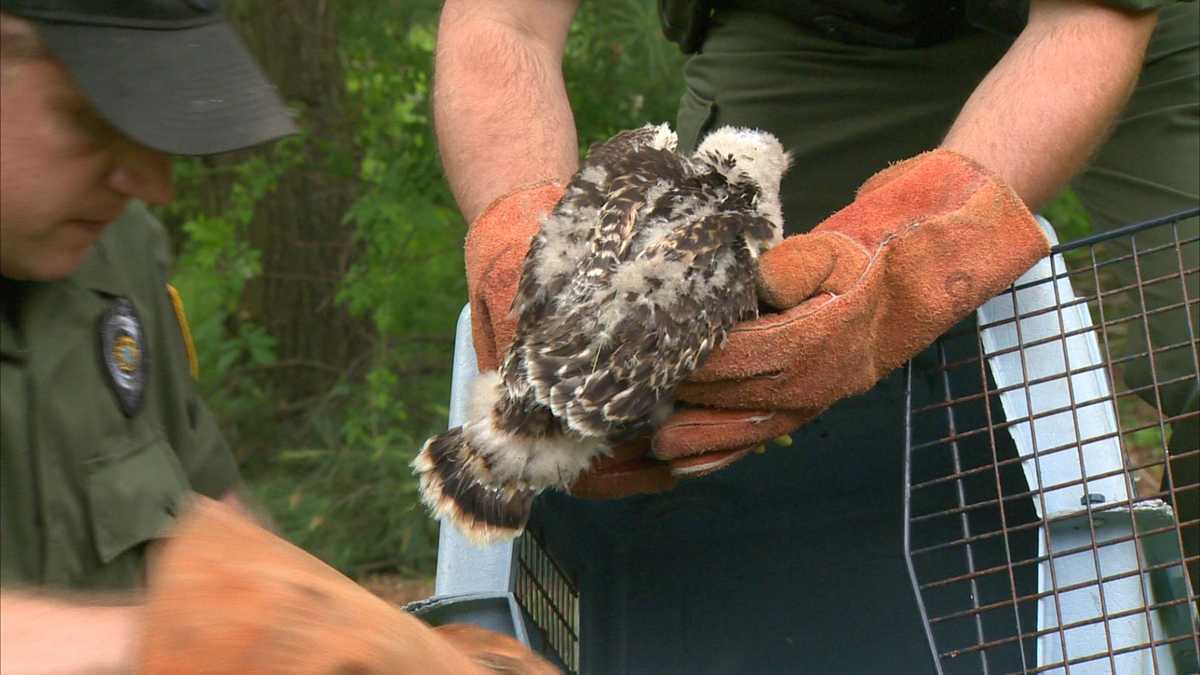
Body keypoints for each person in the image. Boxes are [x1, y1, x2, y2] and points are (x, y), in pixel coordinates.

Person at [433, 0, 1198, 671]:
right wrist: (522, 241)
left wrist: (907, 254)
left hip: (1100, 21)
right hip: (806, 28)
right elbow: (504, 22)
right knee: (731, 358)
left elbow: (1083, 24)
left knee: (1193, 345)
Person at [0, 2, 555, 673]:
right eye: (91, 119)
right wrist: (214, 639)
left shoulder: (109, 255)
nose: (153, 184)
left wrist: (377, 643)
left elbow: (210, 527)